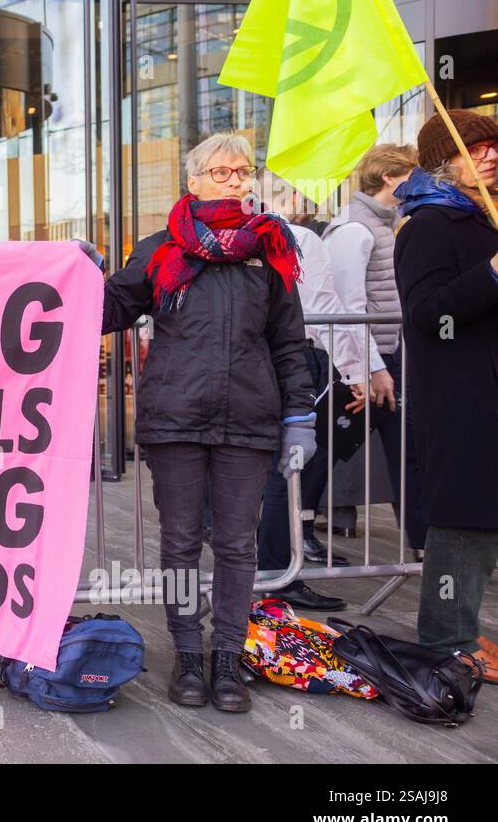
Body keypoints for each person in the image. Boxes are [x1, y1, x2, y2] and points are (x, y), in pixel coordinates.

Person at [82, 134, 316, 713]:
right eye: (222, 172)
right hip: (175, 420)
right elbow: (109, 312)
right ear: (193, 182)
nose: (236, 181)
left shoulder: (272, 250)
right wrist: (81, 276)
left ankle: (227, 659)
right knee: (182, 543)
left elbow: (289, 342)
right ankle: (188, 655)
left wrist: (300, 415)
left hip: (248, 419)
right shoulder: (160, 249)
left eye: (244, 172)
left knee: (237, 545)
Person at [393, 109, 498, 684]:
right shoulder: (429, 224)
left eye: (491, 146)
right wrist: (494, 271)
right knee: (463, 518)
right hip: (461, 397)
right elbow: (429, 315)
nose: (489, 156)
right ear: (441, 159)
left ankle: (462, 624)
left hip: (488, 388)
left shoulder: (482, 215)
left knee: (485, 516)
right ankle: (447, 639)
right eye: (472, 149)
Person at [253, 171, 367, 612]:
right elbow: (325, 309)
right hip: (299, 358)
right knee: (290, 467)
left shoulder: (243, 239)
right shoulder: (299, 237)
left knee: (267, 468)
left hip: (256, 361)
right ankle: (277, 573)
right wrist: (355, 369)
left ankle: (268, 569)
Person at [324, 144, 426, 556]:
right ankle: (291, 539)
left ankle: (422, 542)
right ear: (389, 177)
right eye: (413, 174)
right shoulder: (354, 228)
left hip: (386, 357)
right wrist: (369, 367)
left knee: (408, 450)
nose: (421, 182)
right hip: (364, 361)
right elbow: (348, 305)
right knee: (325, 451)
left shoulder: (390, 223)